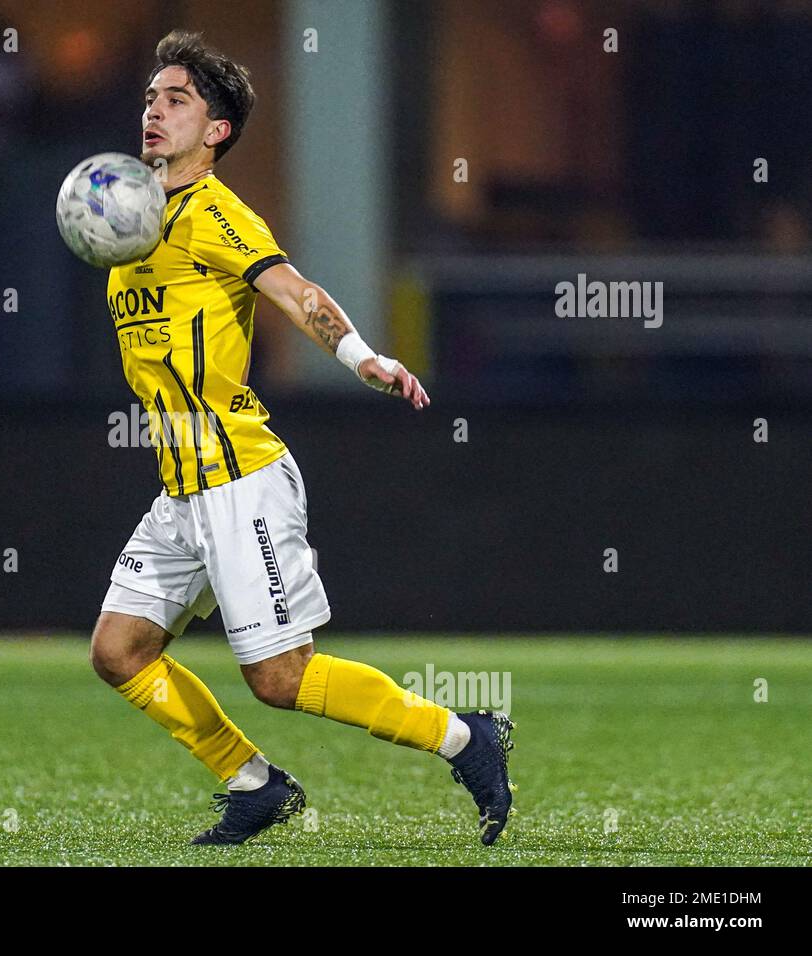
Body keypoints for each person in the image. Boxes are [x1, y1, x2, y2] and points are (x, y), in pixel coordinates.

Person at [90, 30, 515, 847]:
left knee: (281, 678)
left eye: (176, 100)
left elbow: (293, 288)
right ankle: (256, 784)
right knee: (119, 652)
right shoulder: (133, 224)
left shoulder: (215, 212)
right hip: (182, 491)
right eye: (150, 97)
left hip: (239, 477)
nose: (155, 111)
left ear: (216, 132)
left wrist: (362, 355)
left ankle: (468, 739)